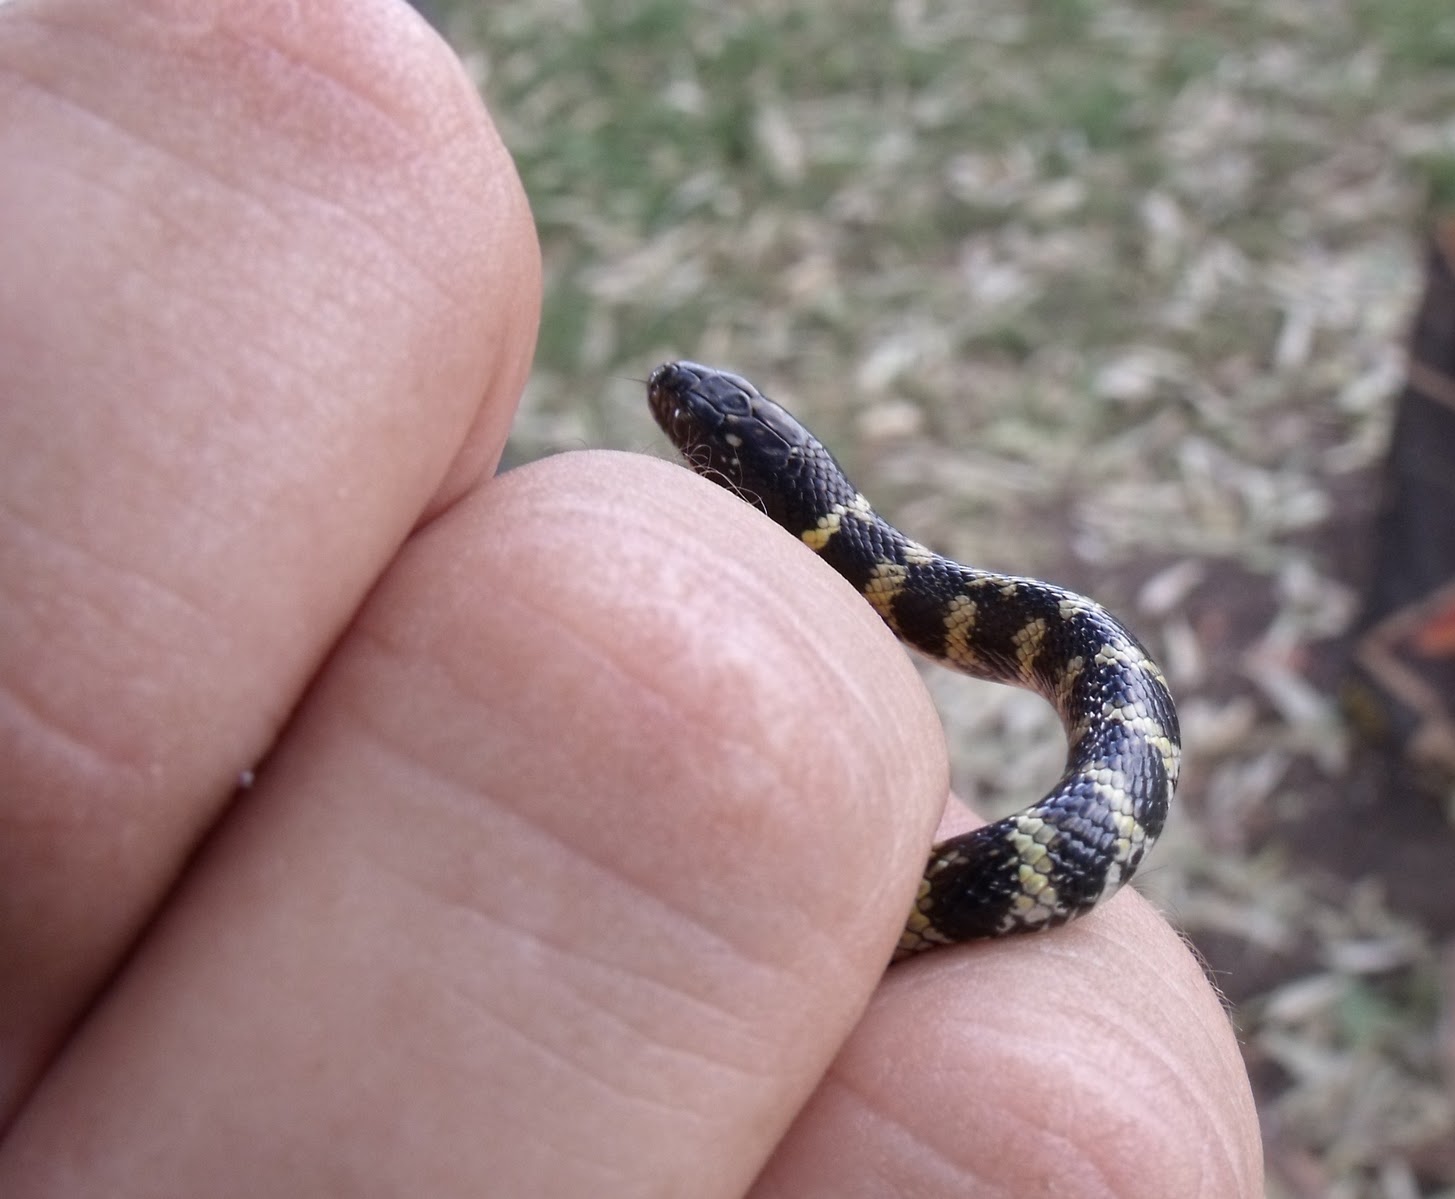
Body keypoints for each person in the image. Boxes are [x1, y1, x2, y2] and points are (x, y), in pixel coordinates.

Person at [0, 1, 1264, 1193]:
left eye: (698, 430)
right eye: (693, 425)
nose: (680, 412)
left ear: (753, 469)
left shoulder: (933, 594)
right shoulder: (917, 587)